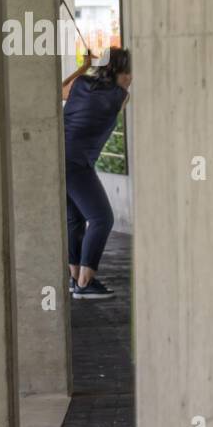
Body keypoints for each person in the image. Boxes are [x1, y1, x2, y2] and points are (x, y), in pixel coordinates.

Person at [61, 47, 132, 299]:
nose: (131, 77)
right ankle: (85, 282)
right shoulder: (120, 96)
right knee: (102, 218)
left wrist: (85, 66)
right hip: (77, 164)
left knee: (75, 220)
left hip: (57, 158)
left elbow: (60, 90)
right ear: (121, 73)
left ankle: (74, 278)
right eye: (129, 72)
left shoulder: (80, 82)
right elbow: (117, 95)